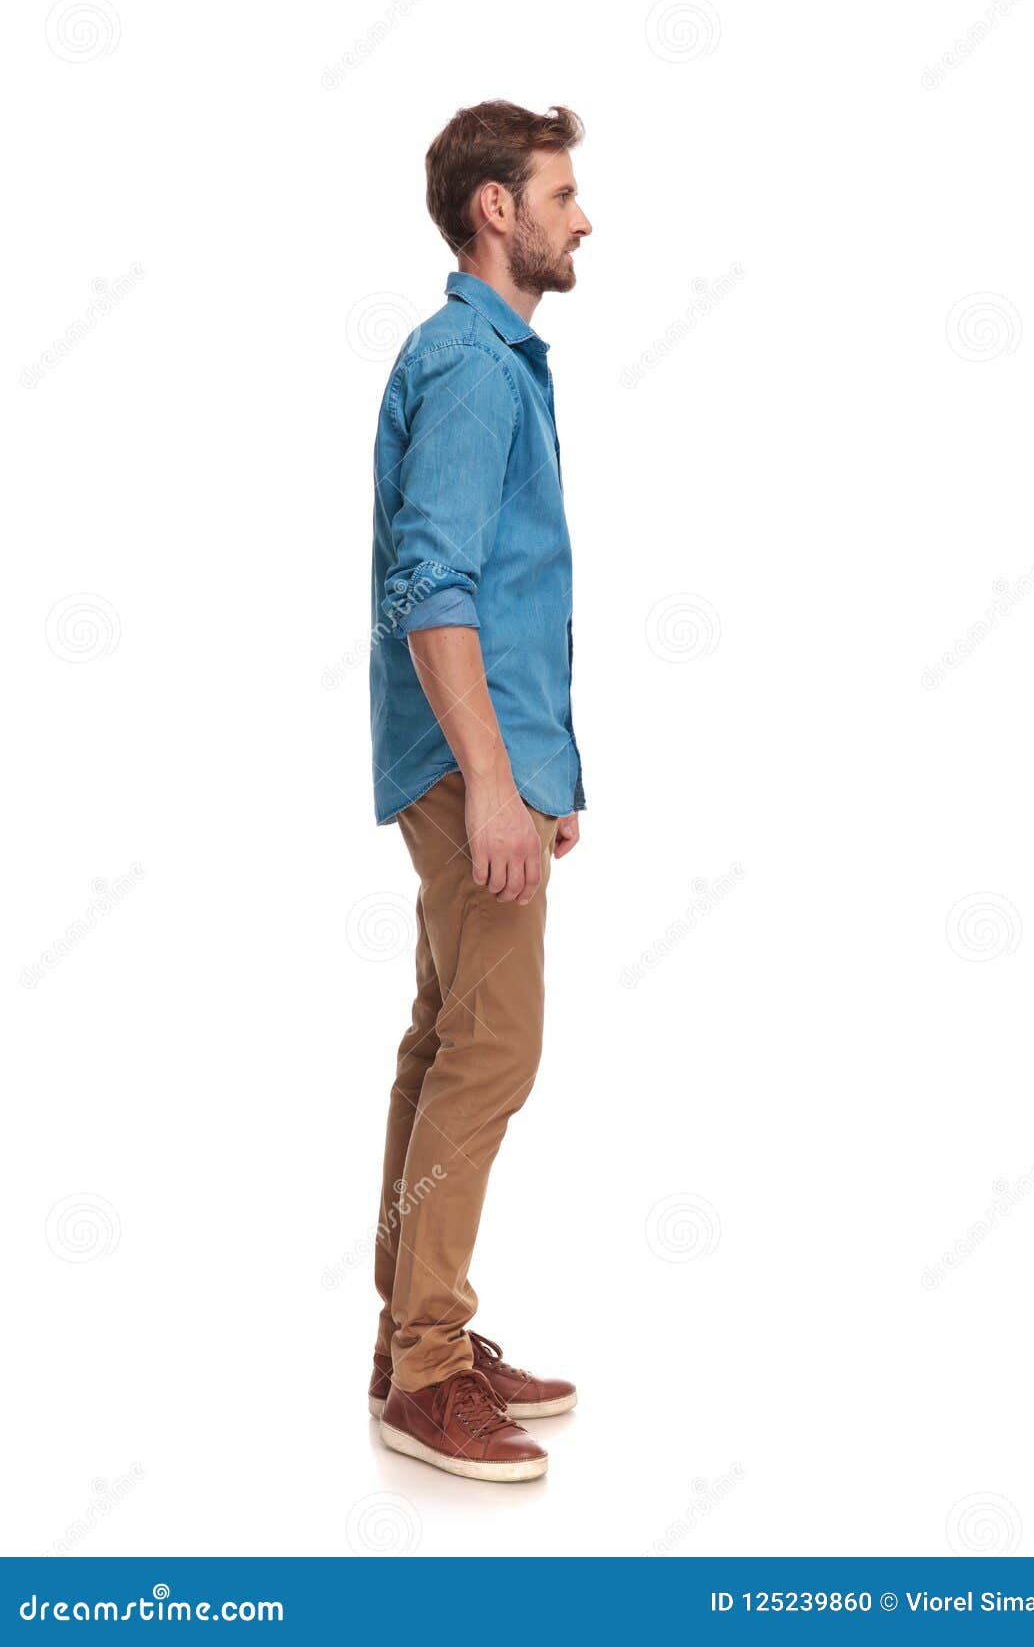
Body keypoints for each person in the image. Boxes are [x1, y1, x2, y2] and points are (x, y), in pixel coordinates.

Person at [366, 100, 593, 1481]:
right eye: (561, 192)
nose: (583, 215)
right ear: (494, 209)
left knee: (443, 1035)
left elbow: (506, 596)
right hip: (467, 771)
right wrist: (496, 786)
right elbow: (432, 589)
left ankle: (412, 1336)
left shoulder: (494, 361)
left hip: (490, 764)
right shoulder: (469, 362)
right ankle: (426, 1364)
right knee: (492, 1050)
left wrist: (551, 770)